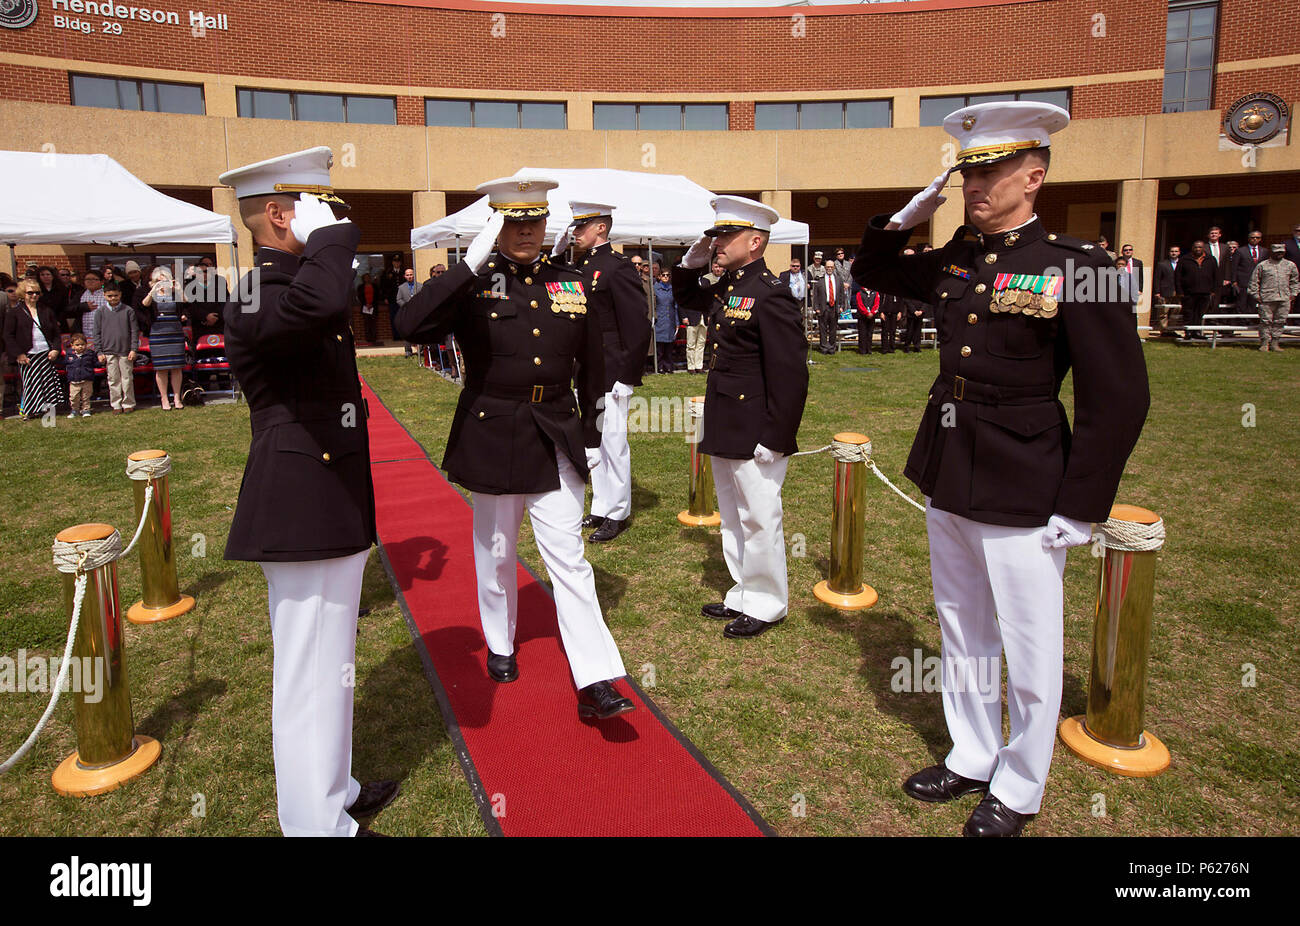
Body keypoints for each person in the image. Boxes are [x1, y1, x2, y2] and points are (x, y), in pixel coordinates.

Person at [852, 101, 1149, 837]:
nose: (974, 186)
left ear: (1034, 176)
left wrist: (1081, 506)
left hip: (1026, 476)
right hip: (949, 465)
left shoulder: (1081, 269)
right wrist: (906, 214)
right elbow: (875, 269)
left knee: (1029, 640)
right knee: (961, 625)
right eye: (966, 174)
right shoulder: (955, 259)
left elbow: (1118, 396)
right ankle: (974, 750)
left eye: (991, 172)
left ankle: (1018, 785)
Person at [395, 175, 634, 721]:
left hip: (554, 428)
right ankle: (499, 642)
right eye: (513, 221)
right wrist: (466, 266)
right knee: (498, 554)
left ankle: (596, 676)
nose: (526, 231)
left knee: (570, 560)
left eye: (534, 220)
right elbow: (411, 324)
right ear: (496, 225)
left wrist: (594, 434)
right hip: (495, 429)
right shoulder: (476, 284)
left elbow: (594, 367)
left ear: (547, 223)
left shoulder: (570, 282)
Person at [219, 146, 395, 837]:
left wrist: (325, 239)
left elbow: (322, 307)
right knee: (306, 675)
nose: (335, 221)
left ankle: (333, 789)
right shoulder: (258, 289)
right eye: (319, 208)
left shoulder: (293, 285)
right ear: (279, 212)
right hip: (299, 499)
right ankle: (312, 826)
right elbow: (323, 298)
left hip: (329, 493)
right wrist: (334, 239)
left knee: (333, 665)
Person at [672, 196, 809, 639]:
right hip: (725, 416)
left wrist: (777, 435)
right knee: (732, 514)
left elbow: (791, 373)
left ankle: (769, 603)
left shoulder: (771, 294)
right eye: (714, 236)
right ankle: (744, 591)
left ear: (755, 241)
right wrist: (690, 261)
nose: (716, 243)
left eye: (724, 235)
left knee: (759, 515)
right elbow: (686, 295)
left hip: (756, 425)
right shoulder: (728, 286)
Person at [553, 201, 651, 544]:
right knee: (592, 439)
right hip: (587, 369)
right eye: (574, 227)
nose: (574, 233)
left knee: (612, 443)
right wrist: (556, 255)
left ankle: (618, 512)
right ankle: (601, 505)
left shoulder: (616, 267)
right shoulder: (583, 266)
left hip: (610, 370)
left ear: (601, 229)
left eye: (581, 227)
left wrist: (627, 375)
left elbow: (638, 326)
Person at [5, 278, 65, 420]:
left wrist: (55, 349)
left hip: (45, 352)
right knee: (31, 383)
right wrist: (19, 354)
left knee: (47, 382)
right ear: (23, 294)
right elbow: (8, 335)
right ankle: (30, 410)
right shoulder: (15, 312)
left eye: (37, 293)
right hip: (27, 354)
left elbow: (56, 333)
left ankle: (48, 411)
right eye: (30, 293)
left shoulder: (46, 310)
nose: (34, 296)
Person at [139, 267, 186, 410]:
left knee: (177, 367)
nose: (162, 283)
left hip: (175, 332)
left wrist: (178, 288)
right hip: (158, 334)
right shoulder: (152, 294)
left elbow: (186, 301)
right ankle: (164, 399)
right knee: (161, 368)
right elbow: (144, 304)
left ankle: (177, 398)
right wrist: (153, 291)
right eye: (158, 281)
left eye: (164, 280)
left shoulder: (174, 293)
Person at [93, 281, 140, 414]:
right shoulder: (100, 312)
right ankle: (116, 404)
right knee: (113, 379)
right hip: (108, 351)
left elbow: (134, 331)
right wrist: (99, 351)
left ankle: (128, 403)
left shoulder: (128, 311)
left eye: (115, 295)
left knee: (127, 378)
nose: (113, 298)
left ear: (120, 294)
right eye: (109, 296)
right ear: (104, 296)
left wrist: (133, 349)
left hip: (125, 351)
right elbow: (96, 333)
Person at [1248, 243, 1299, 351]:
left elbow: (1295, 281)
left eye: (1281, 252)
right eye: (1277, 252)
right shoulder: (1263, 265)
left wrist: (1293, 294)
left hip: (1284, 298)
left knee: (1280, 321)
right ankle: (1264, 343)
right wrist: (1256, 295)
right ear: (1272, 252)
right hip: (1266, 298)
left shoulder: (1290, 265)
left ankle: (1275, 343)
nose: (1279, 254)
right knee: (1265, 321)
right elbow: (1254, 281)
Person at [1176, 240, 1218, 339]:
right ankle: (1188, 332)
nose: (1198, 249)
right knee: (1188, 313)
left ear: (1204, 248)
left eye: (1200, 247)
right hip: (1188, 292)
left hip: (1205, 292)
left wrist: (1213, 290)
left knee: (1199, 313)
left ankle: (1197, 332)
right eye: (1196, 247)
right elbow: (1177, 276)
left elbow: (1216, 276)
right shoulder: (1184, 259)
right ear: (1192, 248)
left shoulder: (1211, 259)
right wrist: (1179, 291)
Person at [1232, 232, 1266, 318]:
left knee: (1253, 303)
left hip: (1257, 283)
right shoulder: (1240, 251)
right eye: (1252, 237)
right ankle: (1241, 321)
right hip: (1242, 282)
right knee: (1241, 303)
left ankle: (1249, 321)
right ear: (1248, 238)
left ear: (1260, 239)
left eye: (1257, 238)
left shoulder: (1264, 251)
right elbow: (1234, 267)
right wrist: (1234, 281)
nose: (1255, 239)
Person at [65, 332, 97, 418]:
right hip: (74, 380)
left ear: (86, 344)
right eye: (77, 344)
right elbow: (65, 363)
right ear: (72, 345)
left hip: (86, 379)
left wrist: (101, 362)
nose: (80, 346)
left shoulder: (90, 354)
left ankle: (86, 410)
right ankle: (74, 410)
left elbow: (95, 363)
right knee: (74, 397)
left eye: (82, 344)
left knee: (86, 396)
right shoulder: (69, 355)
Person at [1152, 245, 1181, 335]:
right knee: (1163, 312)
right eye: (1172, 251)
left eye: (1176, 251)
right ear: (1169, 253)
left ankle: (1171, 330)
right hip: (1165, 292)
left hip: (1178, 292)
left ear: (1179, 253)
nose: (1174, 253)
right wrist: (1157, 292)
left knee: (1175, 312)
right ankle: (1164, 330)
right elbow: (1157, 279)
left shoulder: (1182, 263)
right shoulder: (1162, 264)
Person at [814, 258, 841, 353]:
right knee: (823, 329)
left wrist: (841, 306)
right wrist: (816, 308)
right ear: (825, 268)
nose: (829, 268)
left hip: (834, 307)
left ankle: (832, 348)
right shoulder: (820, 280)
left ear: (834, 268)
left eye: (831, 267)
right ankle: (824, 348)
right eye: (828, 267)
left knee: (833, 329)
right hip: (823, 307)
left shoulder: (838, 280)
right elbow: (815, 296)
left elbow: (841, 294)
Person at [653, 266, 678, 373]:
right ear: (659, 276)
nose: (666, 277)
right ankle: (660, 366)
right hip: (660, 320)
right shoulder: (655, 289)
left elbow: (675, 306)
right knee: (660, 348)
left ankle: (668, 366)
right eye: (663, 275)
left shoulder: (673, 289)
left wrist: (677, 322)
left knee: (669, 347)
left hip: (670, 320)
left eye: (668, 275)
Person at [394, 267, 421, 356]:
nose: (409, 276)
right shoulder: (401, 288)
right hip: (407, 313)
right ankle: (408, 350)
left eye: (411, 274)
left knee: (419, 331)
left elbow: (424, 298)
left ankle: (420, 350)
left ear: (414, 275)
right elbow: (398, 299)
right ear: (405, 276)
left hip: (418, 312)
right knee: (407, 331)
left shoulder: (420, 286)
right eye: (407, 275)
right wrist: (406, 306)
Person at [77, 269, 107, 346]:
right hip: (85, 336)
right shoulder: (80, 294)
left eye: (94, 279)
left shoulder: (108, 294)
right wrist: (83, 306)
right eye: (87, 279)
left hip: (104, 336)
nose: (90, 281)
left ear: (102, 282)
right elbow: (68, 309)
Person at [852, 279, 880, 354]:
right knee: (862, 333)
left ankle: (869, 349)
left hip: (872, 316)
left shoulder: (875, 293)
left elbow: (876, 304)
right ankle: (862, 350)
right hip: (862, 316)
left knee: (869, 333)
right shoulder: (859, 293)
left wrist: (872, 313)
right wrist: (866, 313)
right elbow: (860, 304)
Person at [357, 272, 379, 345]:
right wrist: (366, 304)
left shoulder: (374, 286)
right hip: (365, 307)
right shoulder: (361, 287)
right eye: (365, 278)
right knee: (367, 323)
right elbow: (360, 296)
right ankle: (368, 338)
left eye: (368, 277)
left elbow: (377, 296)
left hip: (373, 307)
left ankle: (374, 338)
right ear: (363, 279)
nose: (367, 279)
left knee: (373, 323)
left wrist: (371, 304)